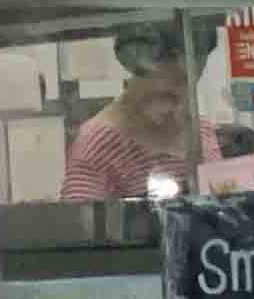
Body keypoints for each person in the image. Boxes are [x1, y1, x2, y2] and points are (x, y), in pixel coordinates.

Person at [59, 28, 226, 201]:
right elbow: (78, 225)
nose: (182, 92)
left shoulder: (201, 130)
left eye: (192, 80)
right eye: (176, 79)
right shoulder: (99, 145)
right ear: (139, 65)